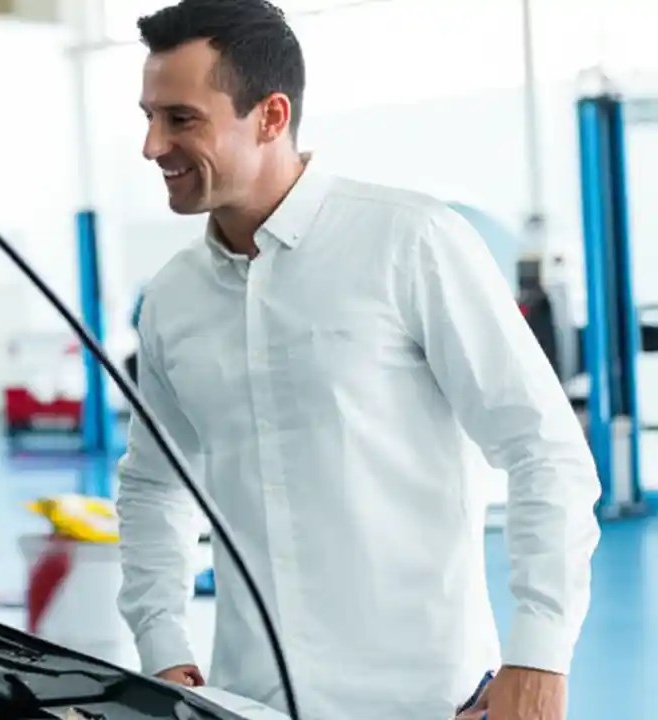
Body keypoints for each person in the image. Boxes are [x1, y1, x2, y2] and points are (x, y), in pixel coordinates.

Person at [114, 2, 600, 719]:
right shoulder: (173, 298)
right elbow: (154, 486)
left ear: (272, 116)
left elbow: (543, 449)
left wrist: (539, 657)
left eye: (181, 119)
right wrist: (163, 645)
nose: (153, 145)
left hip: (427, 702)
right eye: (148, 116)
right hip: (247, 700)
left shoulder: (411, 244)